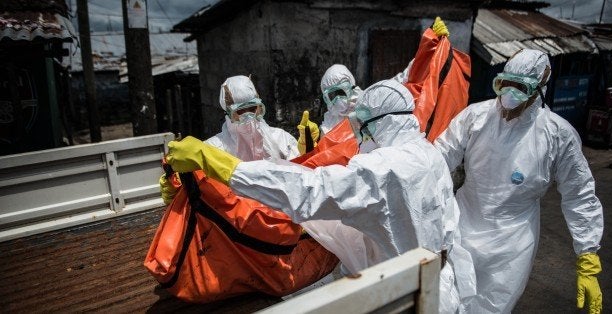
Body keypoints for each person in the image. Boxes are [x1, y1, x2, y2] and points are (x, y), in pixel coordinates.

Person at [166, 79, 475, 313]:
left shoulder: (384, 167)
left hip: (405, 292)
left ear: (380, 122)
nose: (358, 136)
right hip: (437, 281)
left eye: (360, 126)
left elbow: (308, 190)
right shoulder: (427, 153)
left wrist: (223, 167)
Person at [434, 49, 604, 313]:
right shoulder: (475, 117)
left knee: (490, 308)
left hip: (511, 245)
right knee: (444, 301)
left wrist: (588, 253)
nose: (509, 94)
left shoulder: (557, 135)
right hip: (462, 225)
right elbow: (439, 158)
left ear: (540, 87)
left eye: (520, 87)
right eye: (504, 84)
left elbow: (579, 194)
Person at [159, 75, 299, 204]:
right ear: (228, 112)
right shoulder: (213, 148)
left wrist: (307, 148)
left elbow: (300, 174)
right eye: (241, 111)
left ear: (259, 107)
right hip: (239, 221)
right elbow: (194, 191)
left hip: (280, 215)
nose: (248, 115)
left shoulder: (280, 138)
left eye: (252, 108)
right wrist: (174, 184)